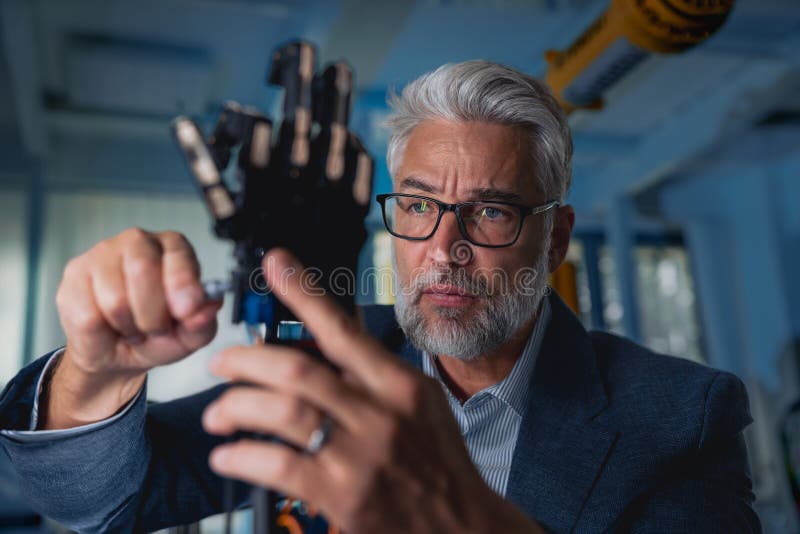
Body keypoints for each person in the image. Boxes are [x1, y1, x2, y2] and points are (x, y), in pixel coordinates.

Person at [0, 61, 760, 533]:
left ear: (555, 240)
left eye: (491, 211)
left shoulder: (684, 417)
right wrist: (99, 373)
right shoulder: (327, 361)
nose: (443, 247)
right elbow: (106, 504)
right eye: (420, 204)